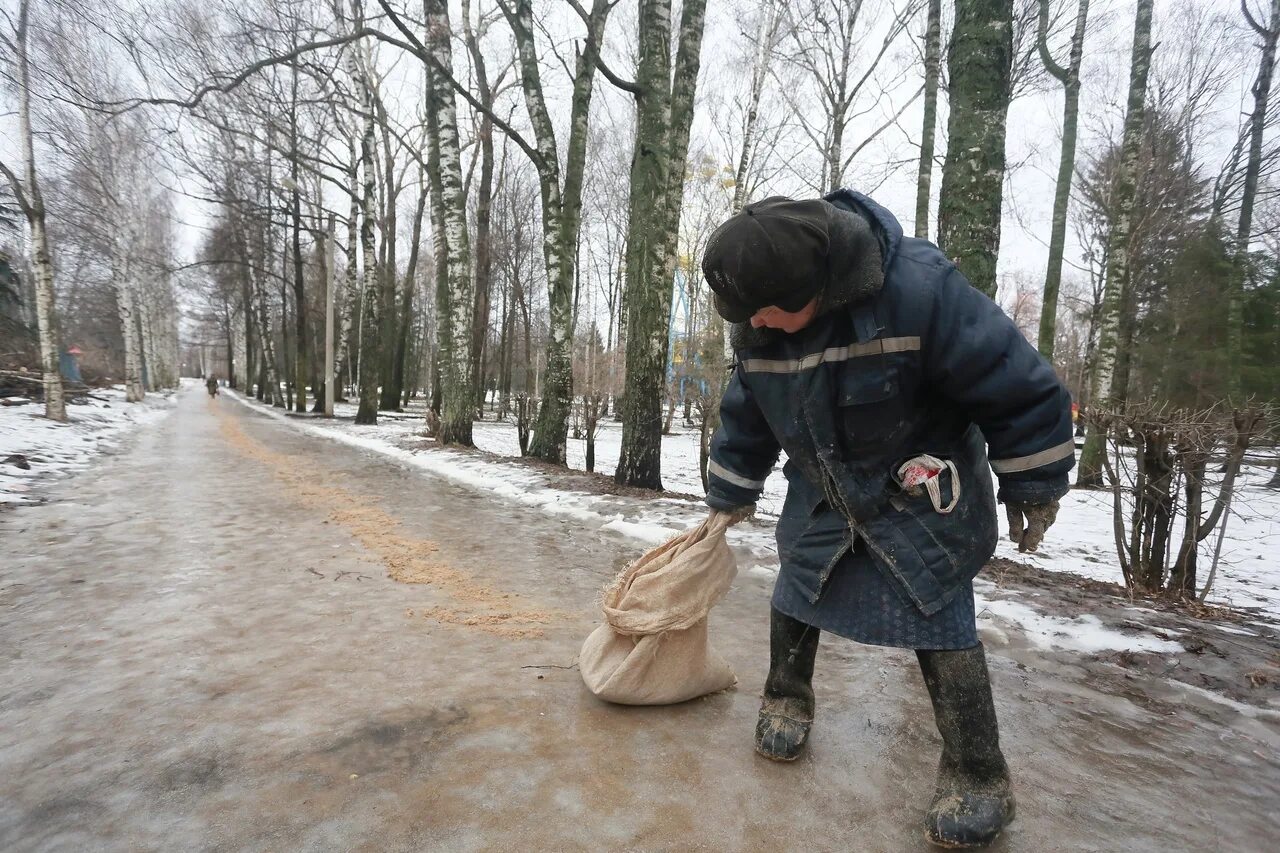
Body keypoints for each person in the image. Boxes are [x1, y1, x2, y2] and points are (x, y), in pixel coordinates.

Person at [701, 191, 1073, 848]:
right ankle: (786, 698)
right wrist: (731, 484)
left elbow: (1012, 378)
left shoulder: (919, 291)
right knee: (796, 588)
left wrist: (1035, 478)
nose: (751, 321)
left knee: (938, 607)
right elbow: (747, 408)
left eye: (760, 308)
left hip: (919, 482)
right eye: (744, 313)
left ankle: (978, 773)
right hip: (822, 484)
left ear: (811, 287)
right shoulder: (757, 325)